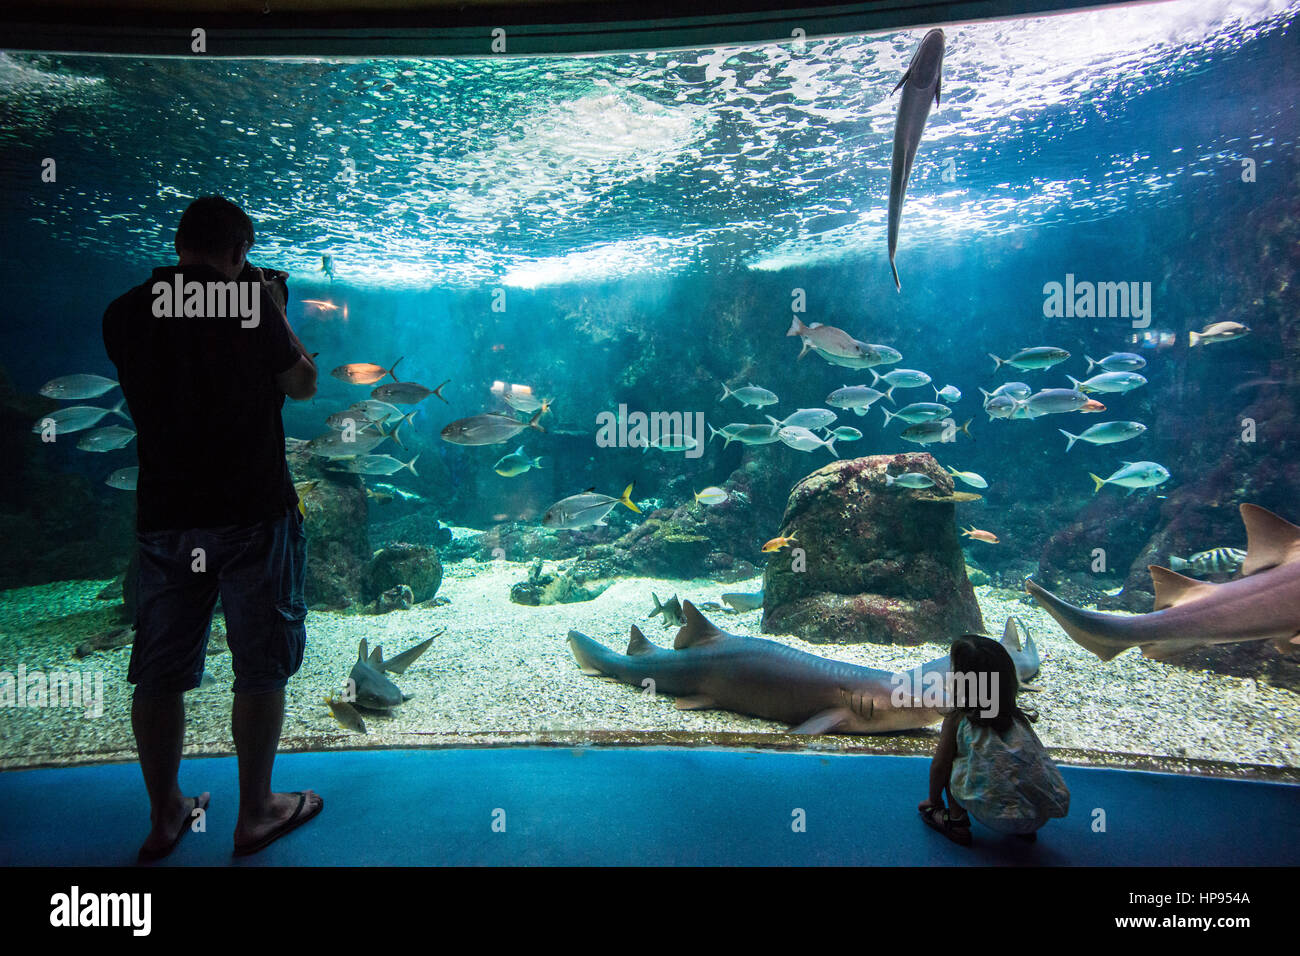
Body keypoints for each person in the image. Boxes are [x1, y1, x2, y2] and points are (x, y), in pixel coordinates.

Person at [103, 196, 322, 861]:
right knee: (260, 664)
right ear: (239, 252)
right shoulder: (252, 307)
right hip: (253, 512)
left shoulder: (123, 314)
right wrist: (272, 309)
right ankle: (255, 812)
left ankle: (166, 811)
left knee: (161, 670)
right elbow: (304, 383)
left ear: (179, 247)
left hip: (167, 520)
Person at [919, 635, 1069, 846]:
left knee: (949, 764)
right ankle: (1023, 829)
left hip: (988, 812)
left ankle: (956, 823)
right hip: (1039, 815)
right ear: (1009, 679)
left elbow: (938, 767)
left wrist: (933, 801)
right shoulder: (1019, 718)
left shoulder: (958, 720)